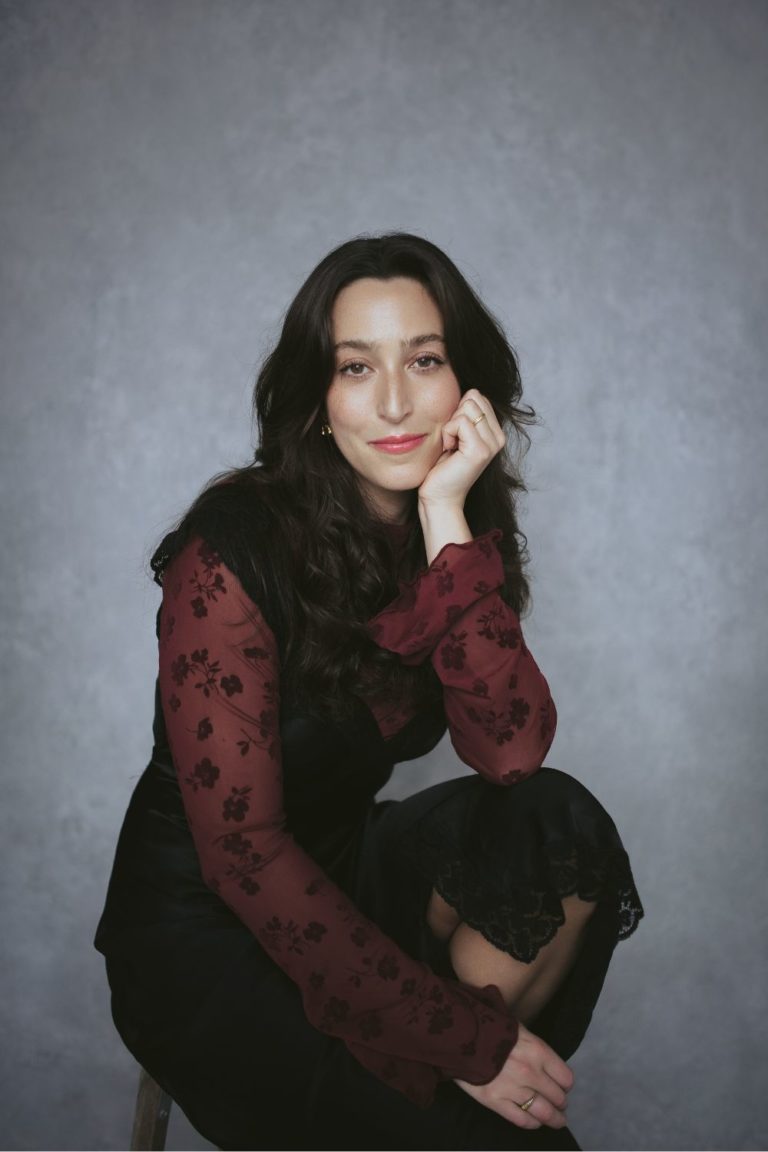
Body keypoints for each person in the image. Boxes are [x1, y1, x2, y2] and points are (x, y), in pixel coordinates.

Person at [94, 232, 643, 1150]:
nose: (393, 402)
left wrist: (444, 515)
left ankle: (425, 1076)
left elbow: (512, 753)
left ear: (466, 386)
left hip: (345, 877)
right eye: (356, 367)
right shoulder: (231, 546)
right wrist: (464, 1039)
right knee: (488, 1140)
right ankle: (441, 1079)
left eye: (423, 361)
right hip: (207, 929)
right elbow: (243, 856)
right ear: (319, 399)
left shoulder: (452, 528)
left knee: (560, 820)